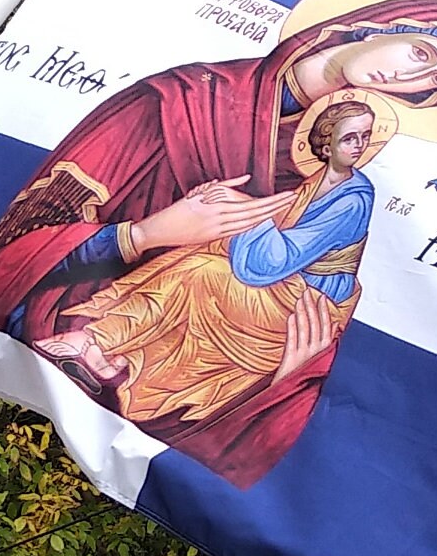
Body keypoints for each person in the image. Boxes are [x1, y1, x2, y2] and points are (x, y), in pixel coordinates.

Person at [0, 0, 437, 486]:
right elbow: (11, 247)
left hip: (227, 354)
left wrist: (291, 373)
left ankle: (123, 362)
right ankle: (101, 348)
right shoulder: (180, 103)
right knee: (195, 276)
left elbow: (309, 292)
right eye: (421, 52)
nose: (411, 78)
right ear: (372, 27)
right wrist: (144, 234)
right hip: (44, 335)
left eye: (436, 80)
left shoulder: (352, 179)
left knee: (208, 283)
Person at [34, 97, 381, 435]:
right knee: (201, 248)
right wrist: (215, 200)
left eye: (365, 137)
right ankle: (112, 358)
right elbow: (278, 219)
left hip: (305, 303)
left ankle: (96, 340)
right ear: (327, 139)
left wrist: (242, 209)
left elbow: (272, 262)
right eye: (350, 136)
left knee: (202, 273)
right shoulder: (319, 182)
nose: (359, 145)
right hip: (287, 285)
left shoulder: (353, 198)